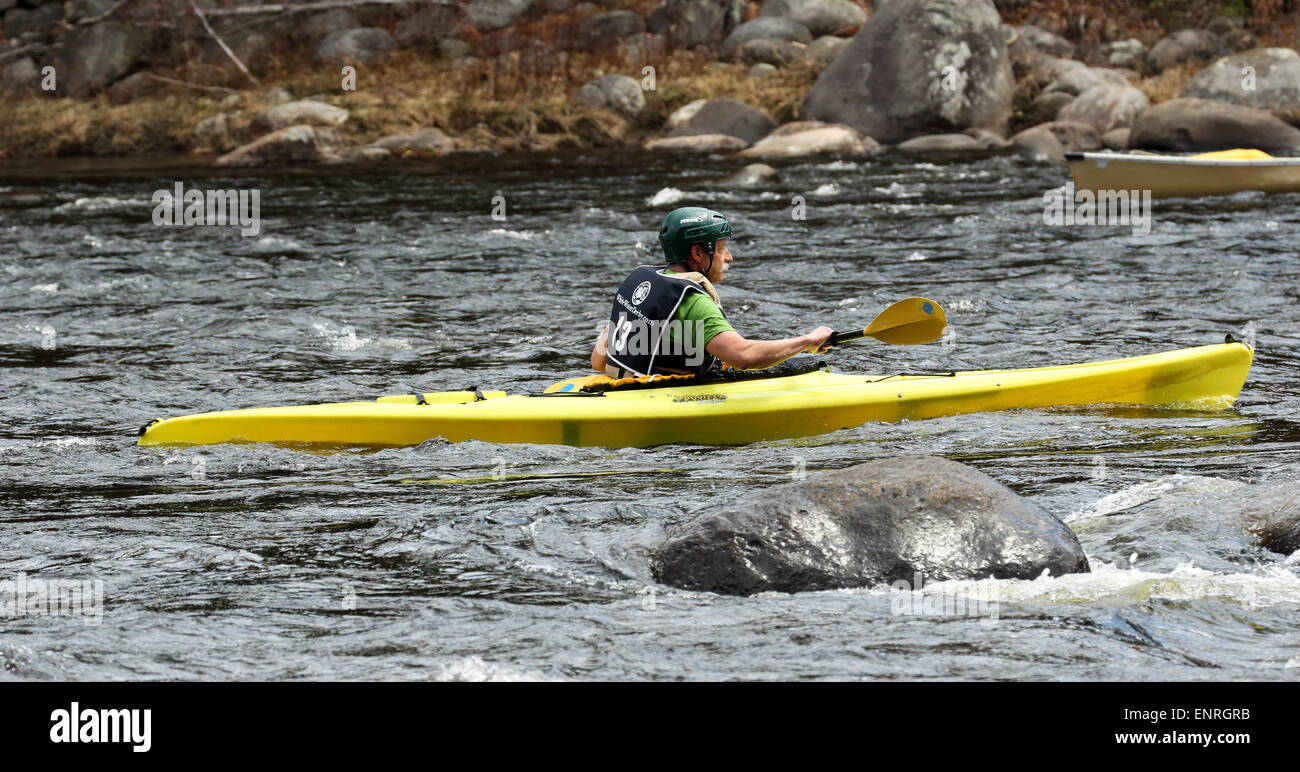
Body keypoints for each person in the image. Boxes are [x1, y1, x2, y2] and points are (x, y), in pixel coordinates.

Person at [591, 206, 834, 378]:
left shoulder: (639, 280)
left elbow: (598, 361)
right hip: (658, 398)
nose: (729, 257)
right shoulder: (691, 300)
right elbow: (743, 356)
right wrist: (807, 341)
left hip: (621, 388)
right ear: (697, 253)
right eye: (722, 248)